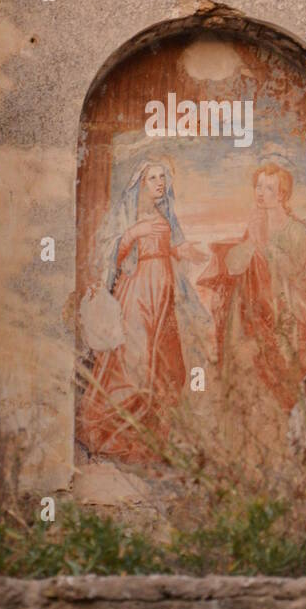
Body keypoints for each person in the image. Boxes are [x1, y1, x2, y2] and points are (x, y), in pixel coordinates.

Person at [76, 159, 206, 463]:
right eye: (152, 178)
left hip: (163, 294)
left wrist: (190, 251)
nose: (160, 183)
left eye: (163, 177)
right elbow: (111, 254)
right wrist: (132, 234)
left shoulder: (165, 213)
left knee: (165, 365)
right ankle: (112, 432)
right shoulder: (127, 214)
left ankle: (146, 438)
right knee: (135, 363)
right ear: (141, 183)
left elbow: (172, 247)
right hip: (137, 293)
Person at [199, 162, 306, 462]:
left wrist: (262, 247)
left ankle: (276, 451)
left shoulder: (298, 231)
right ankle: (245, 452)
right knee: (246, 379)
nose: (261, 192)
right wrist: (245, 248)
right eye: (258, 186)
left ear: (283, 194)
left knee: (276, 383)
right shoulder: (254, 227)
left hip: (282, 321)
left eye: (268, 187)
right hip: (247, 317)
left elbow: (297, 272)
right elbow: (234, 266)